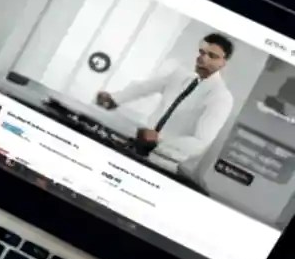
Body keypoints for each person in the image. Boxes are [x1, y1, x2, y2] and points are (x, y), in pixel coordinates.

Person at [95, 33, 235, 162]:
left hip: (165, 159)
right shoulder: (180, 75)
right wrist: (115, 98)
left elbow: (201, 142)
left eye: (212, 56)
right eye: (202, 52)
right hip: (136, 145)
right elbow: (146, 87)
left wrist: (159, 140)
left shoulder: (221, 97)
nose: (202, 59)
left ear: (223, 63)